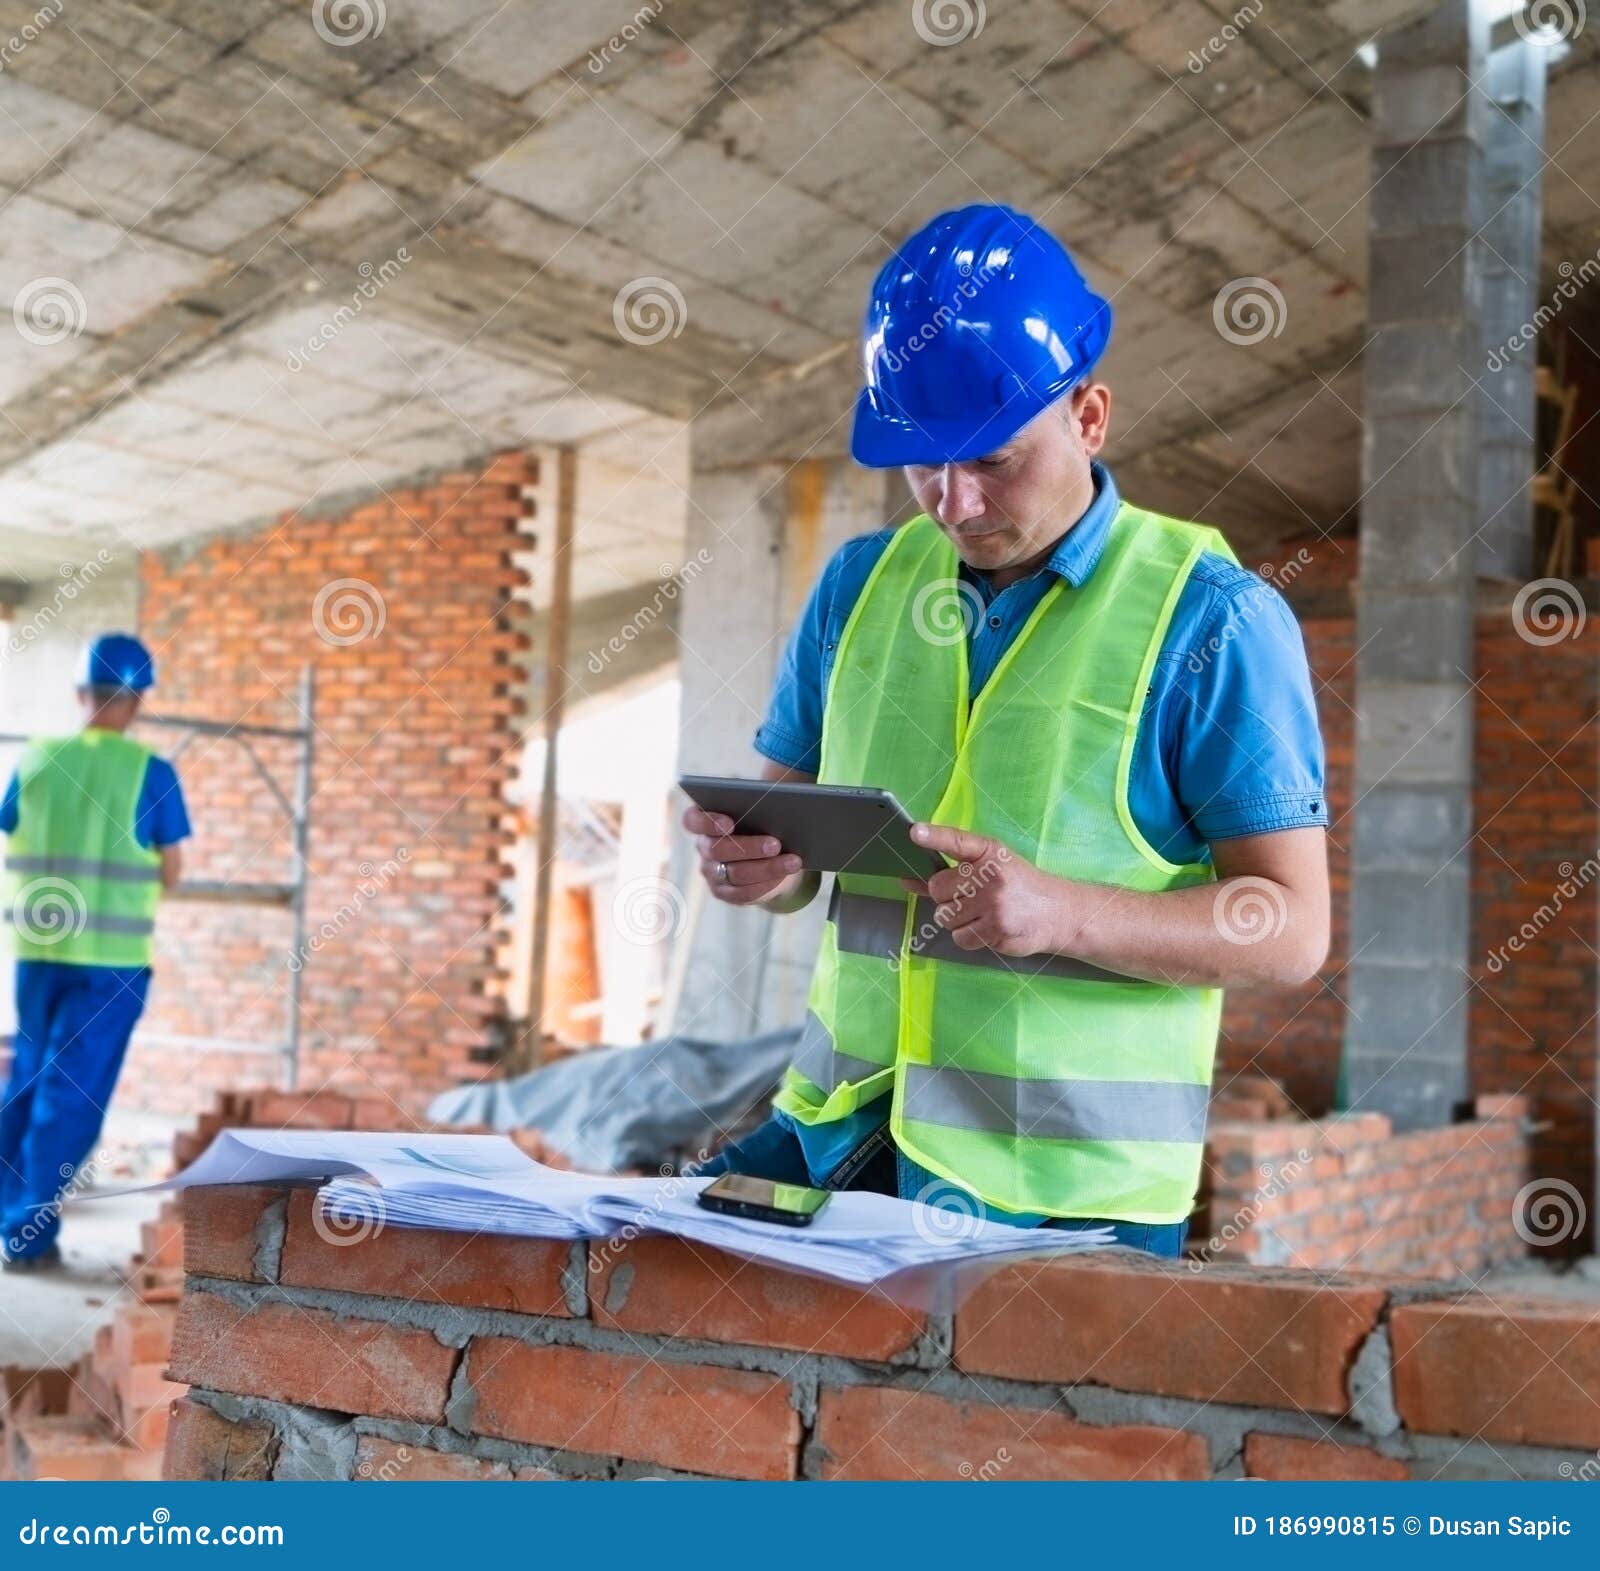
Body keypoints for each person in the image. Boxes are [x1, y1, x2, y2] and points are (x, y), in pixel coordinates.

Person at [682, 204, 1331, 1258]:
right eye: (923, 466)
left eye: (992, 458)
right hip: (838, 1137)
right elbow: (790, 855)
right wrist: (751, 868)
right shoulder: (857, 588)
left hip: (1070, 1199)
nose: (956, 499)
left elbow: (1291, 928)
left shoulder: (1212, 617)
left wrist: (1062, 913)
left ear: (1088, 415)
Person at [0, 633, 190, 1271]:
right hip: (108, 961)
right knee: (70, 1095)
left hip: (37, 951)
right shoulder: (150, 773)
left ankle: (10, 1211)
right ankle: (26, 1233)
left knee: (27, 1074)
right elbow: (171, 872)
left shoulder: (34, 761)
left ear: (82, 692)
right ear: (137, 701)